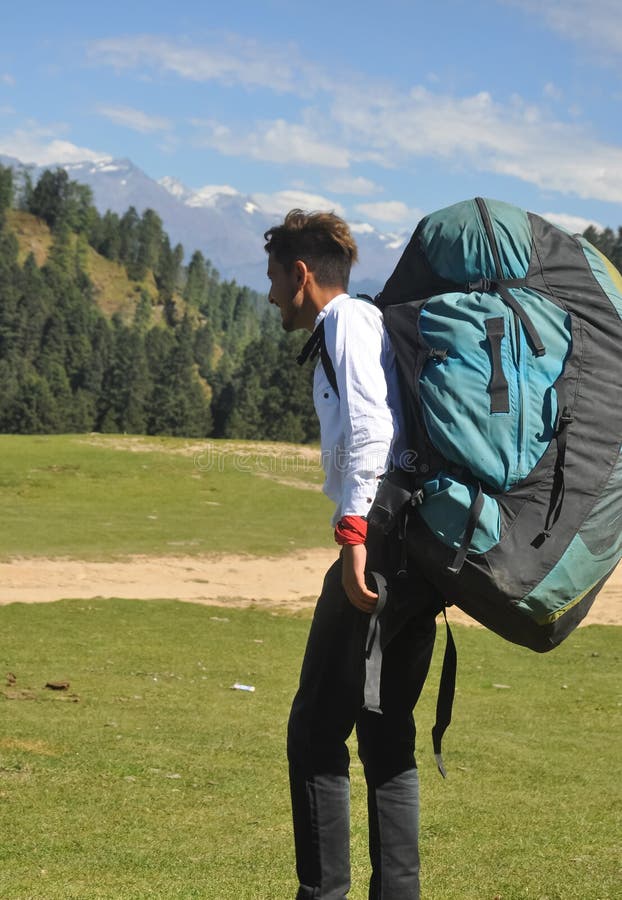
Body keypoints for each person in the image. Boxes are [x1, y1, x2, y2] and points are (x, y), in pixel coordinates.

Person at [264, 209, 440, 899]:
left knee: (314, 733)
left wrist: (354, 538)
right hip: (418, 549)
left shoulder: (343, 324)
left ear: (302, 274)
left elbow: (371, 428)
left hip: (382, 543)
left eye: (276, 277)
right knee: (386, 735)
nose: (273, 293)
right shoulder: (363, 325)